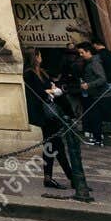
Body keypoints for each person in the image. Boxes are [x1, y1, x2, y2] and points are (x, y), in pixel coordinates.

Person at [23, 50, 73, 190]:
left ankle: (49, 178)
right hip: (44, 114)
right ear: (35, 58)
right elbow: (38, 92)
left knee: (52, 146)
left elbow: (49, 86)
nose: (41, 57)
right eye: (39, 55)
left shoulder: (42, 72)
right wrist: (51, 91)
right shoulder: (29, 74)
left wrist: (52, 89)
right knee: (57, 146)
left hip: (51, 113)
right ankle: (72, 178)